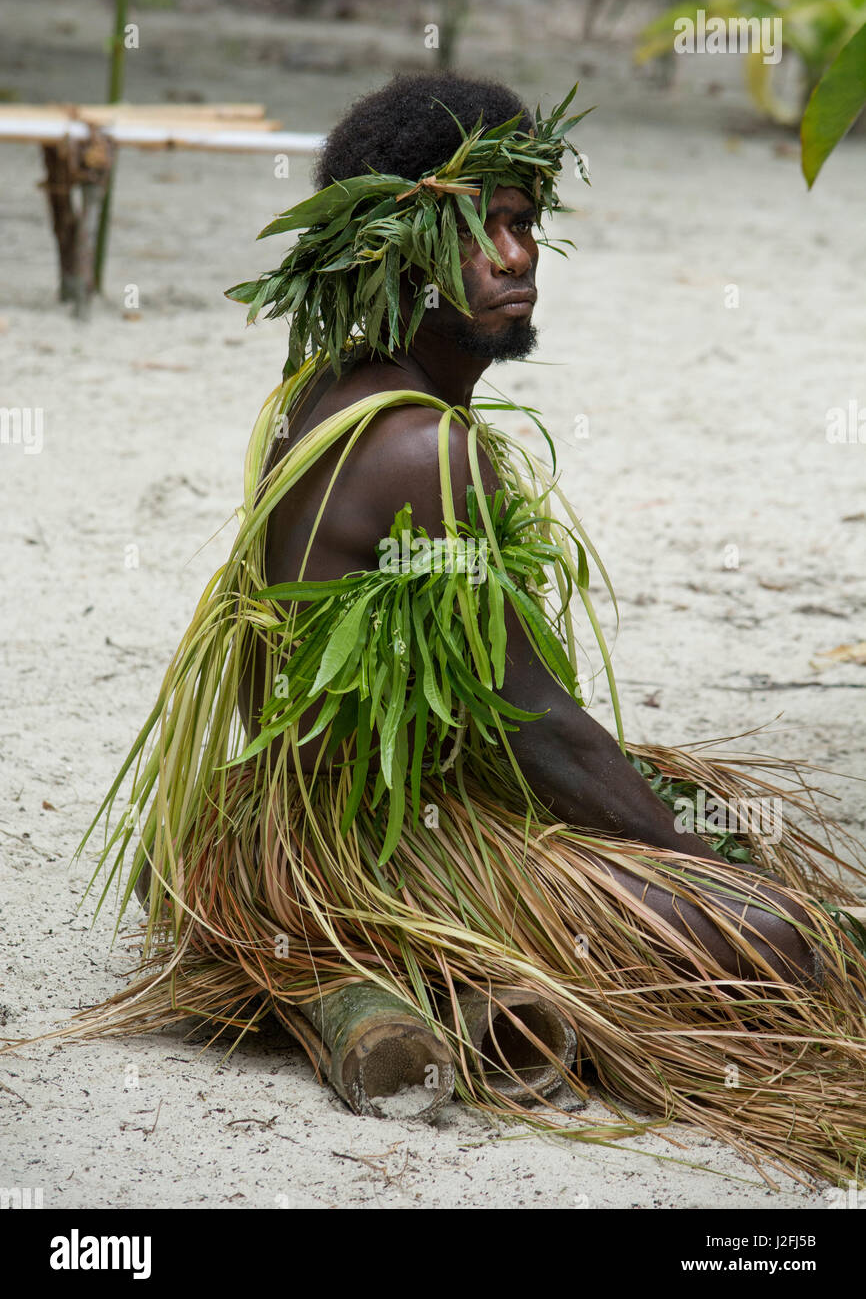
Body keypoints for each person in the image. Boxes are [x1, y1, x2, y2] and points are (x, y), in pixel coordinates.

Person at [48, 73, 866, 1182]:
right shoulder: (425, 451)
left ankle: (407, 966)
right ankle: (431, 956)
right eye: (473, 227)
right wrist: (697, 869)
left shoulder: (329, 385)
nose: (513, 253)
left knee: (729, 831)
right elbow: (534, 725)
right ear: (384, 248)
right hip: (384, 843)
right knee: (775, 933)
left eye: (521, 221)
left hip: (325, 817)